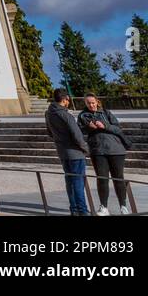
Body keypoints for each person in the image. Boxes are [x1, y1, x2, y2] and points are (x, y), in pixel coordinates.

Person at [78, 93, 131, 216]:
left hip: (116, 149)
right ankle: (104, 207)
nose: (91, 105)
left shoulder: (106, 112)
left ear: (97, 101)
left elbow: (117, 128)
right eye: (88, 103)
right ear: (85, 103)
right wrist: (89, 127)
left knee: (118, 178)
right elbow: (80, 130)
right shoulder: (83, 115)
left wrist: (105, 125)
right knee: (102, 178)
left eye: (93, 102)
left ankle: (123, 206)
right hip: (98, 151)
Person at [45, 88, 90, 216]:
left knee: (69, 181)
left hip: (62, 152)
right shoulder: (66, 115)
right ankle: (82, 210)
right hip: (75, 153)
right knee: (78, 182)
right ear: (65, 99)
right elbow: (77, 135)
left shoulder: (48, 113)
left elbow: (49, 132)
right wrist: (86, 149)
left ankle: (74, 209)